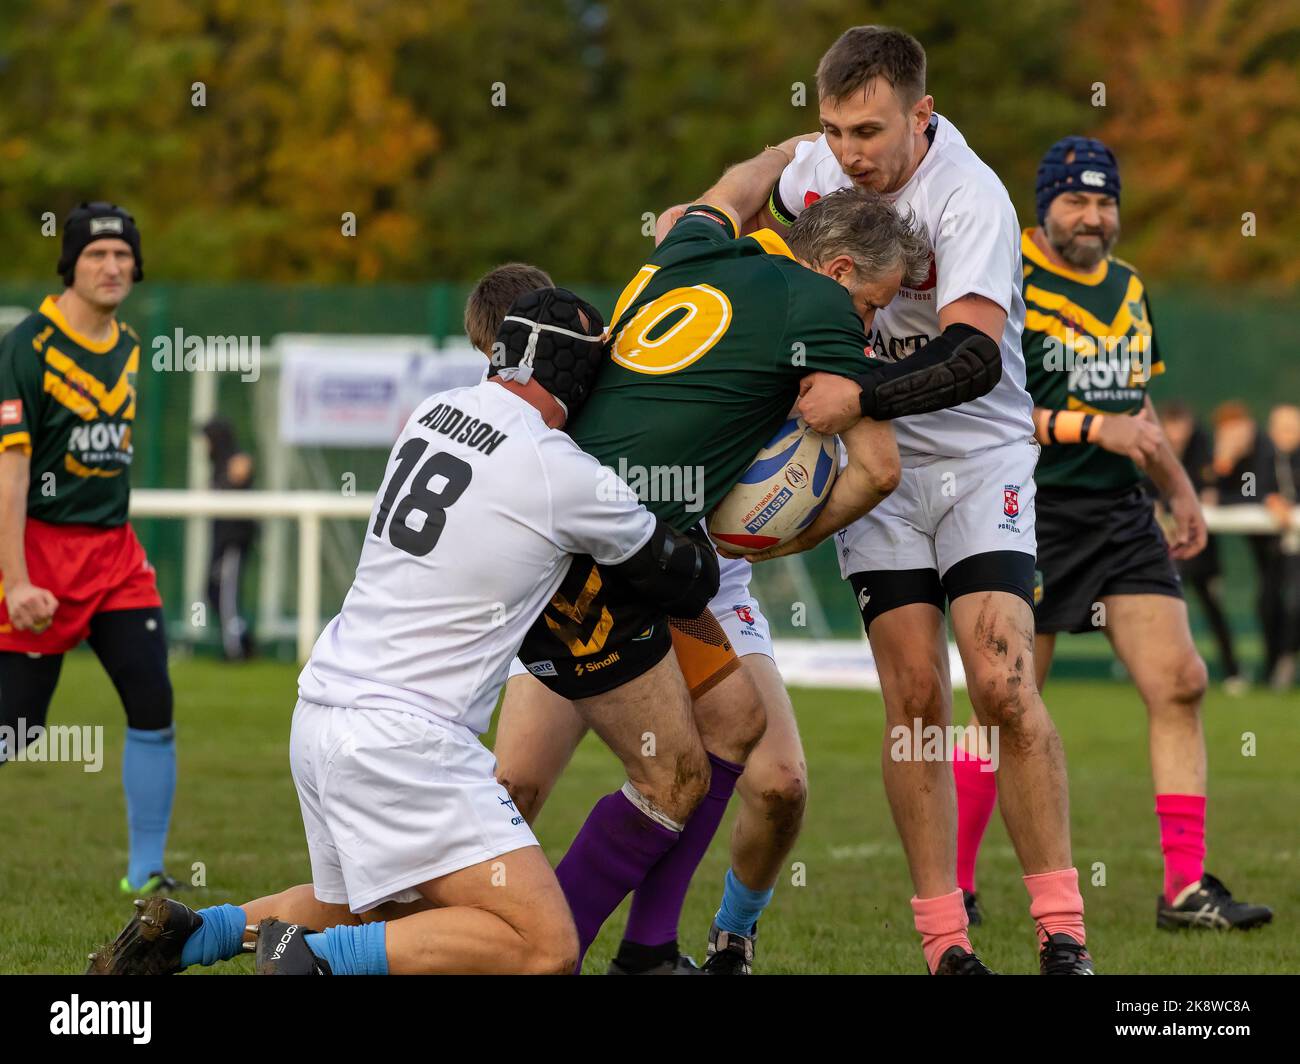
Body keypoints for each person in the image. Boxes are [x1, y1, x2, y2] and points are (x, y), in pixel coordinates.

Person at [87, 288, 721, 975]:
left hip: (323, 712)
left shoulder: (433, 411)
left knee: (376, 910)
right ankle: (314, 964)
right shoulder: (561, 471)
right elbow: (685, 581)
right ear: (581, 375)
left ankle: (192, 935)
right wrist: (706, 510)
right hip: (405, 740)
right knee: (544, 947)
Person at [498, 173, 1004, 973]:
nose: (870, 325)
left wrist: (789, 148)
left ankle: (649, 952)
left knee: (745, 742)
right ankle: (512, 952)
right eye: (873, 303)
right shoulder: (824, 311)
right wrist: (786, 539)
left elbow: (719, 195)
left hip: (649, 550)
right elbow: (876, 471)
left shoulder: (699, 246)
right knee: (563, 780)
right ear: (839, 274)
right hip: (605, 551)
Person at [720, 26, 1093, 973]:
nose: (851, 154)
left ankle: (1062, 934)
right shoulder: (819, 171)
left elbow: (971, 358)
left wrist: (859, 394)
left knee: (1002, 682)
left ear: (921, 116)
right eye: (835, 130)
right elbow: (762, 178)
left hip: (979, 458)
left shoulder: (971, 198)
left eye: (871, 132)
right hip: (875, 468)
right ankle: (946, 940)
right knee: (917, 695)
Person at [954, 137, 1271, 933]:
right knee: (1005, 703)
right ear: (1044, 206)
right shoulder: (1007, 274)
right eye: (1076, 201)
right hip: (1031, 509)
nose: (1093, 217)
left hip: (1123, 515)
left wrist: (1177, 492)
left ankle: (1186, 889)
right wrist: (1092, 427)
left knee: (1182, 681)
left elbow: (1141, 412)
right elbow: (976, 403)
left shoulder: (1130, 288)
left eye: (1105, 203)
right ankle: (953, 880)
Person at [0, 203, 181, 896]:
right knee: (16, 727)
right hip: (36, 559)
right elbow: (10, 477)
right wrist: (16, 581)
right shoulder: (29, 348)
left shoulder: (129, 346)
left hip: (114, 558)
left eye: (123, 256)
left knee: (152, 697)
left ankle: (148, 874)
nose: (112, 267)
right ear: (70, 265)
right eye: (96, 256)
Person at [1158, 401, 1244, 690]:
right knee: (1166, 610)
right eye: (1173, 425)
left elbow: (1210, 488)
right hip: (1166, 551)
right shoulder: (1154, 448)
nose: (1177, 432)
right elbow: (1147, 491)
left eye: (1182, 425)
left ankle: (1233, 672)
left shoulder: (1202, 446)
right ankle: (1164, 673)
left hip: (1202, 550)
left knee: (1212, 608)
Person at [1212, 401, 1292, 685]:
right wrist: (1223, 462)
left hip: (1285, 541)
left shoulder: (1266, 450)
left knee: (1281, 601)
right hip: (1266, 544)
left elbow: (1257, 492)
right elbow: (1216, 493)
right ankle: (1275, 667)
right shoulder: (1227, 456)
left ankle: (1282, 661)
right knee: (1268, 603)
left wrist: (1268, 498)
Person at [201, 417, 256, 661]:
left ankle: (235, 652)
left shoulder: (236, 460)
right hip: (219, 542)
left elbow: (243, 470)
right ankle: (244, 639)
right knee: (212, 593)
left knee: (227, 597)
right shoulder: (216, 467)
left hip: (233, 543)